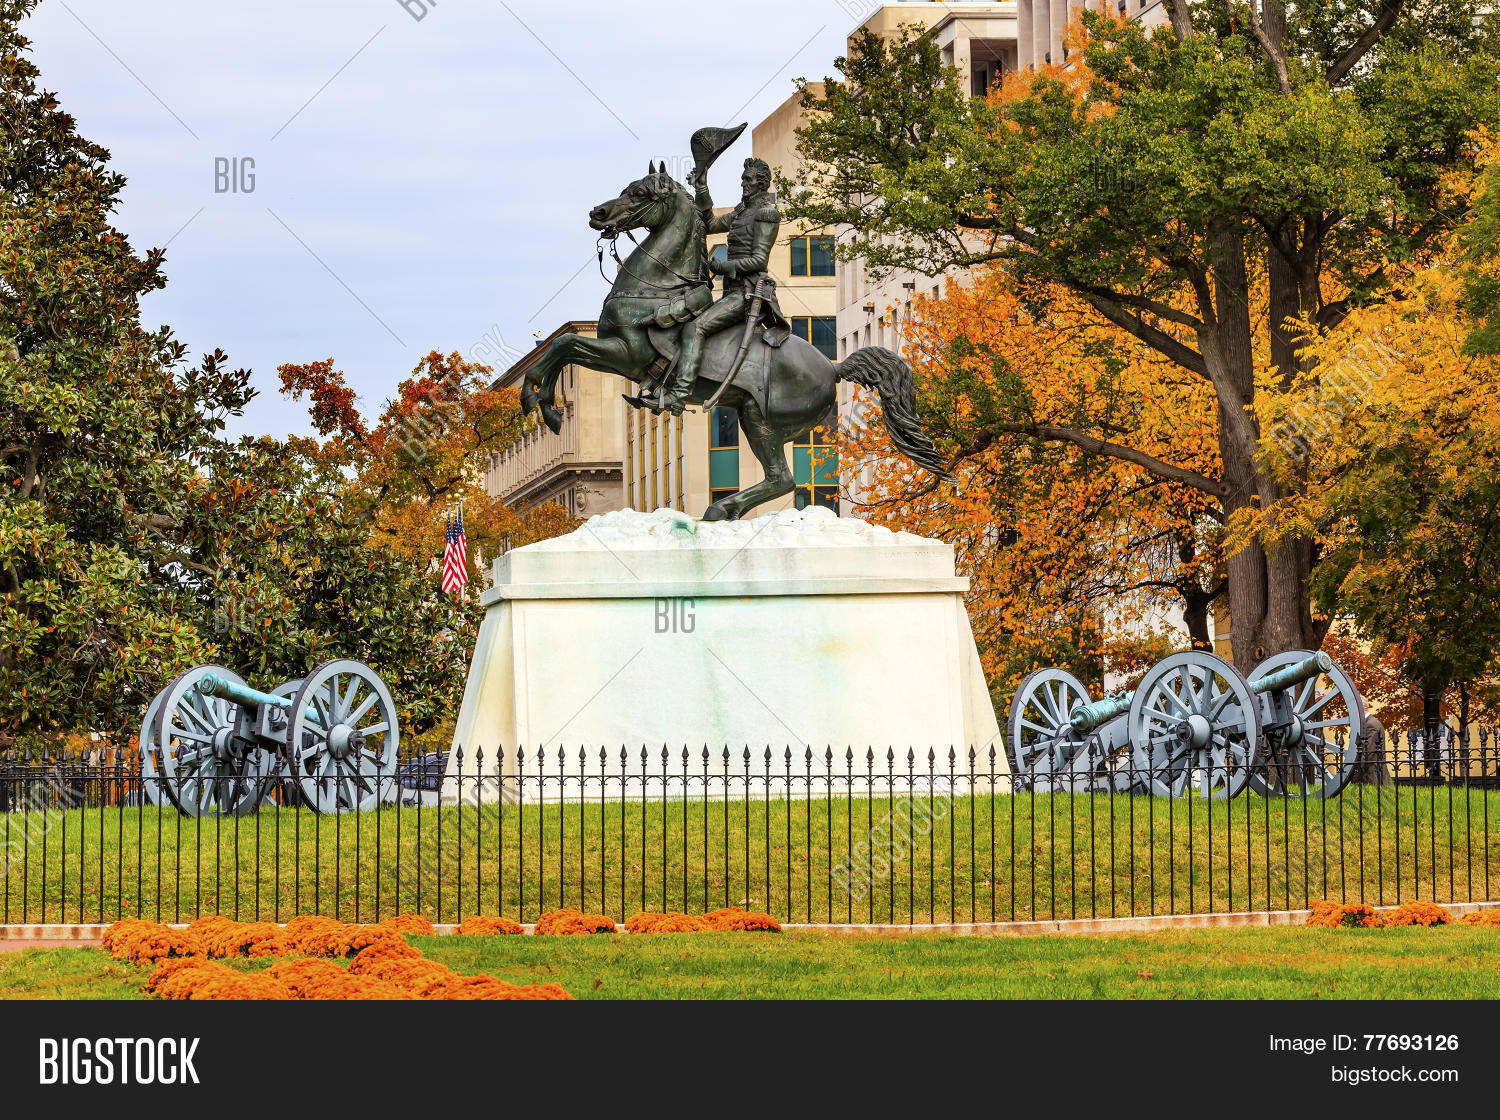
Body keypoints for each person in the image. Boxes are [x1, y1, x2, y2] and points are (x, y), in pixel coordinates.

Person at [648, 157, 791, 414]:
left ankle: (678, 396)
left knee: (695, 328)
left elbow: (759, 260)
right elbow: (710, 224)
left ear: (762, 184)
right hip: (731, 291)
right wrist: (702, 187)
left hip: (748, 293)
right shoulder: (741, 211)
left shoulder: (767, 213)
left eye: (749, 180)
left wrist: (723, 266)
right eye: (743, 179)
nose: (743, 183)